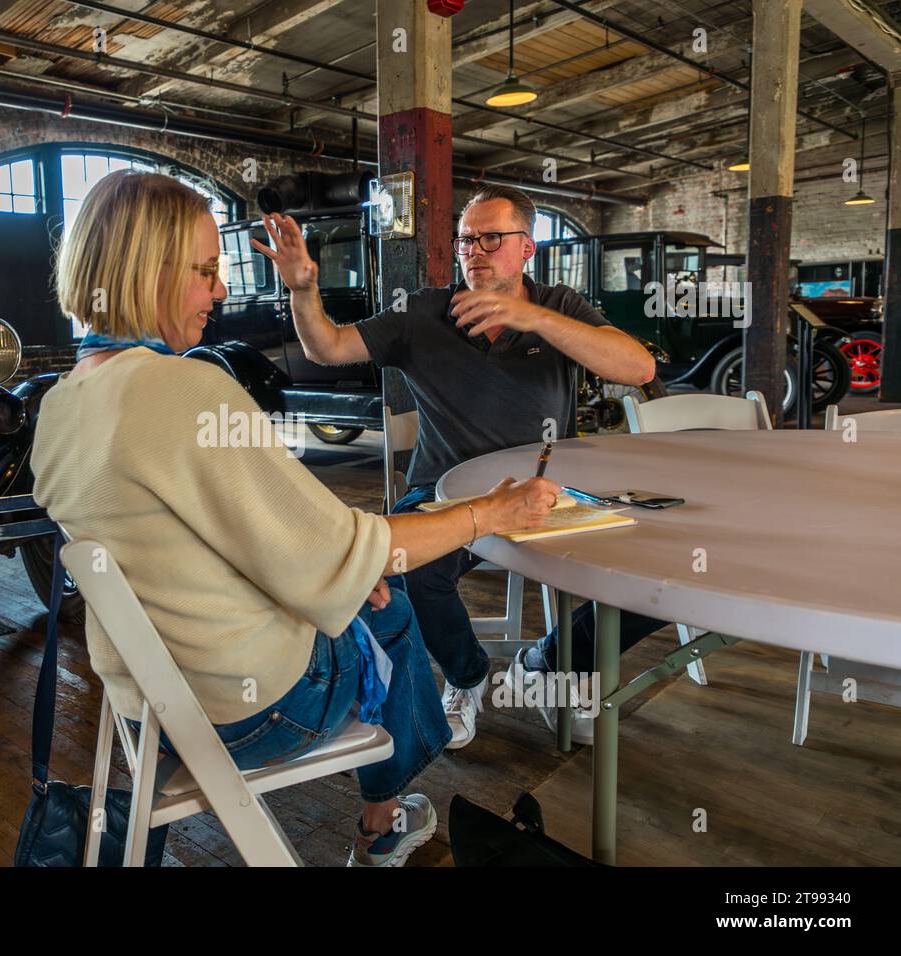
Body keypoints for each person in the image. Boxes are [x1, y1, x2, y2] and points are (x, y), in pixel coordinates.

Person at [31, 170, 561, 866]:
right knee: (394, 609)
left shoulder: (62, 402)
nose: (220, 291)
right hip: (251, 712)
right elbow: (350, 548)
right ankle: (382, 819)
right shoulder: (187, 389)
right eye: (204, 272)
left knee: (363, 587)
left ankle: (388, 808)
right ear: (145, 272)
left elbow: (200, 545)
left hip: (144, 702)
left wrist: (340, 568)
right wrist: (489, 512)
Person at [253, 184, 667, 747]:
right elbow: (328, 347)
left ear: (527, 248)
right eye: (467, 239)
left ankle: (545, 664)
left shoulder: (559, 305)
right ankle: (469, 675)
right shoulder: (424, 311)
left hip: (548, 493)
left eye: (492, 238)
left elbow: (638, 368)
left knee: (658, 579)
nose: (474, 249)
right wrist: (304, 290)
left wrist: (532, 317)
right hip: (443, 492)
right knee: (403, 568)